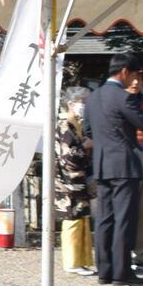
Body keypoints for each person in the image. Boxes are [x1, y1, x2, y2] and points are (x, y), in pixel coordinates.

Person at [86, 52, 143, 286]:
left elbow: (88, 132)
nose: (136, 80)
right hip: (124, 165)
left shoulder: (93, 98)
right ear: (126, 71)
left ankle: (105, 271)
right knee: (124, 220)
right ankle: (122, 272)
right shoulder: (123, 97)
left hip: (102, 163)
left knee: (104, 220)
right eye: (136, 74)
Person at [52, 87, 94, 276]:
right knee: (72, 219)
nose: (83, 107)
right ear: (70, 104)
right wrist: (85, 147)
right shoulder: (64, 125)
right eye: (81, 103)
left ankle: (81, 260)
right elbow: (67, 156)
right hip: (68, 180)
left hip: (77, 179)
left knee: (81, 218)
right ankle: (71, 261)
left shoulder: (74, 124)